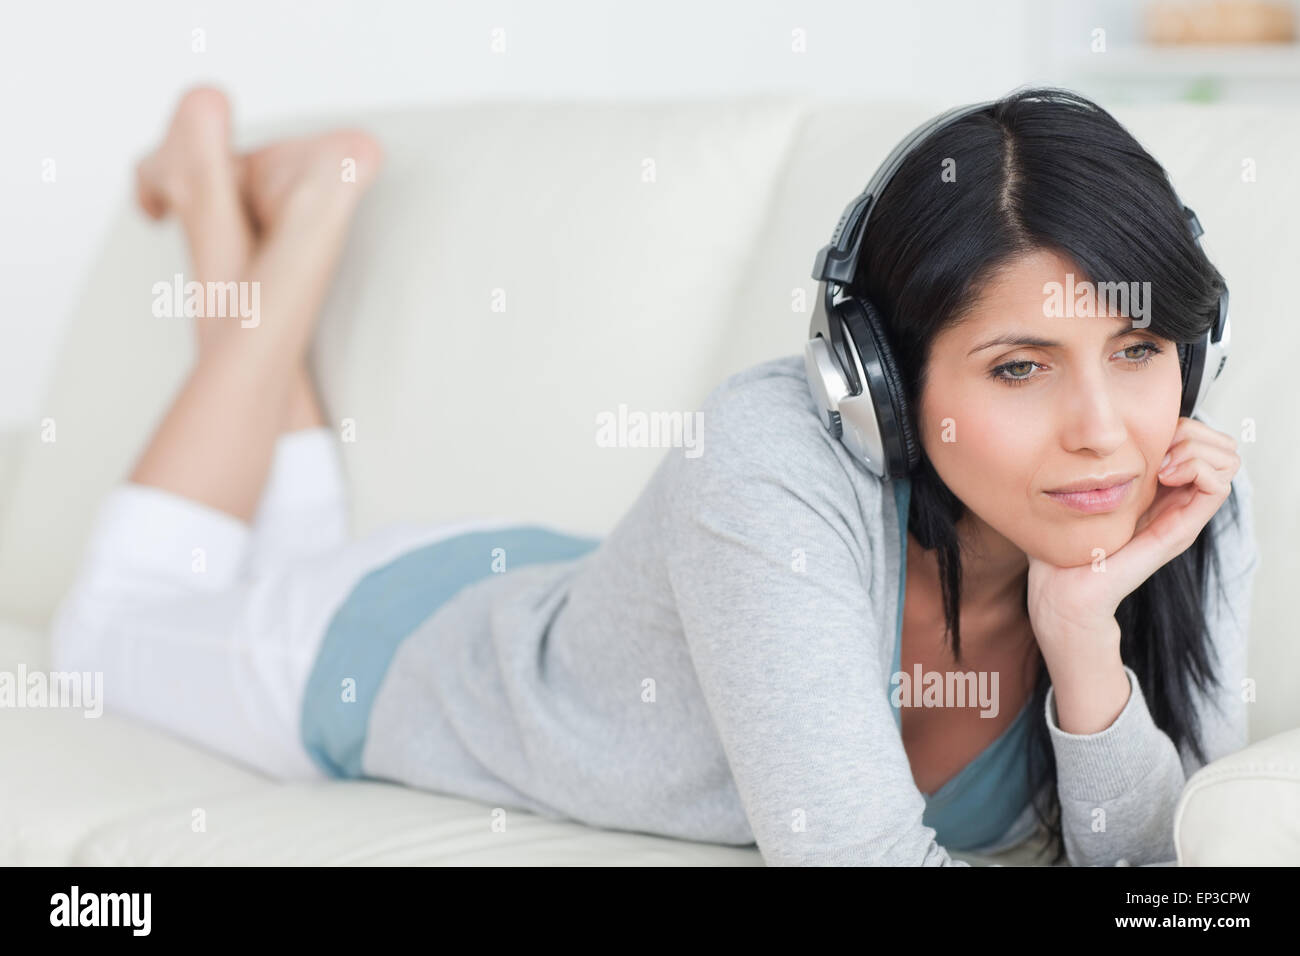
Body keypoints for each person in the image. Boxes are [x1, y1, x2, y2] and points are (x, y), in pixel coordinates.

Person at [50, 85, 1257, 867]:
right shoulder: (770, 450)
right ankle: (295, 202)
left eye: (1139, 350)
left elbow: (1159, 871)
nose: (1104, 430)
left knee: (269, 542)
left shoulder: (1174, 502)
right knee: (103, 632)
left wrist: (1083, 638)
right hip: (384, 644)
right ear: (879, 381)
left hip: (574, 587)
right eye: (1017, 367)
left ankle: (226, 208)